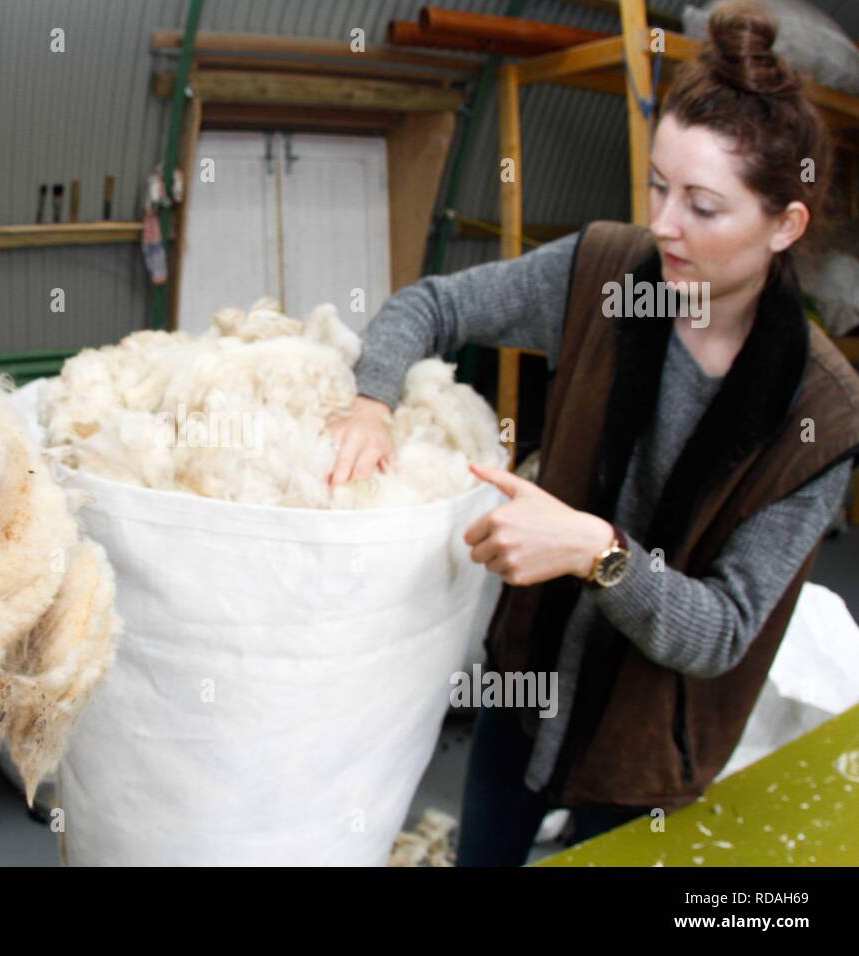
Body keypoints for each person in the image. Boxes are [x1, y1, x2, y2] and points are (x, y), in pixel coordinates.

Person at [328, 1, 859, 866]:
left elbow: (722, 630)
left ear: (785, 224)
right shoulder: (605, 274)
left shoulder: (823, 416)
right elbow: (434, 303)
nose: (665, 224)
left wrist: (595, 551)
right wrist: (369, 401)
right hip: (528, 683)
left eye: (704, 206)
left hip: (648, 745)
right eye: (658, 184)